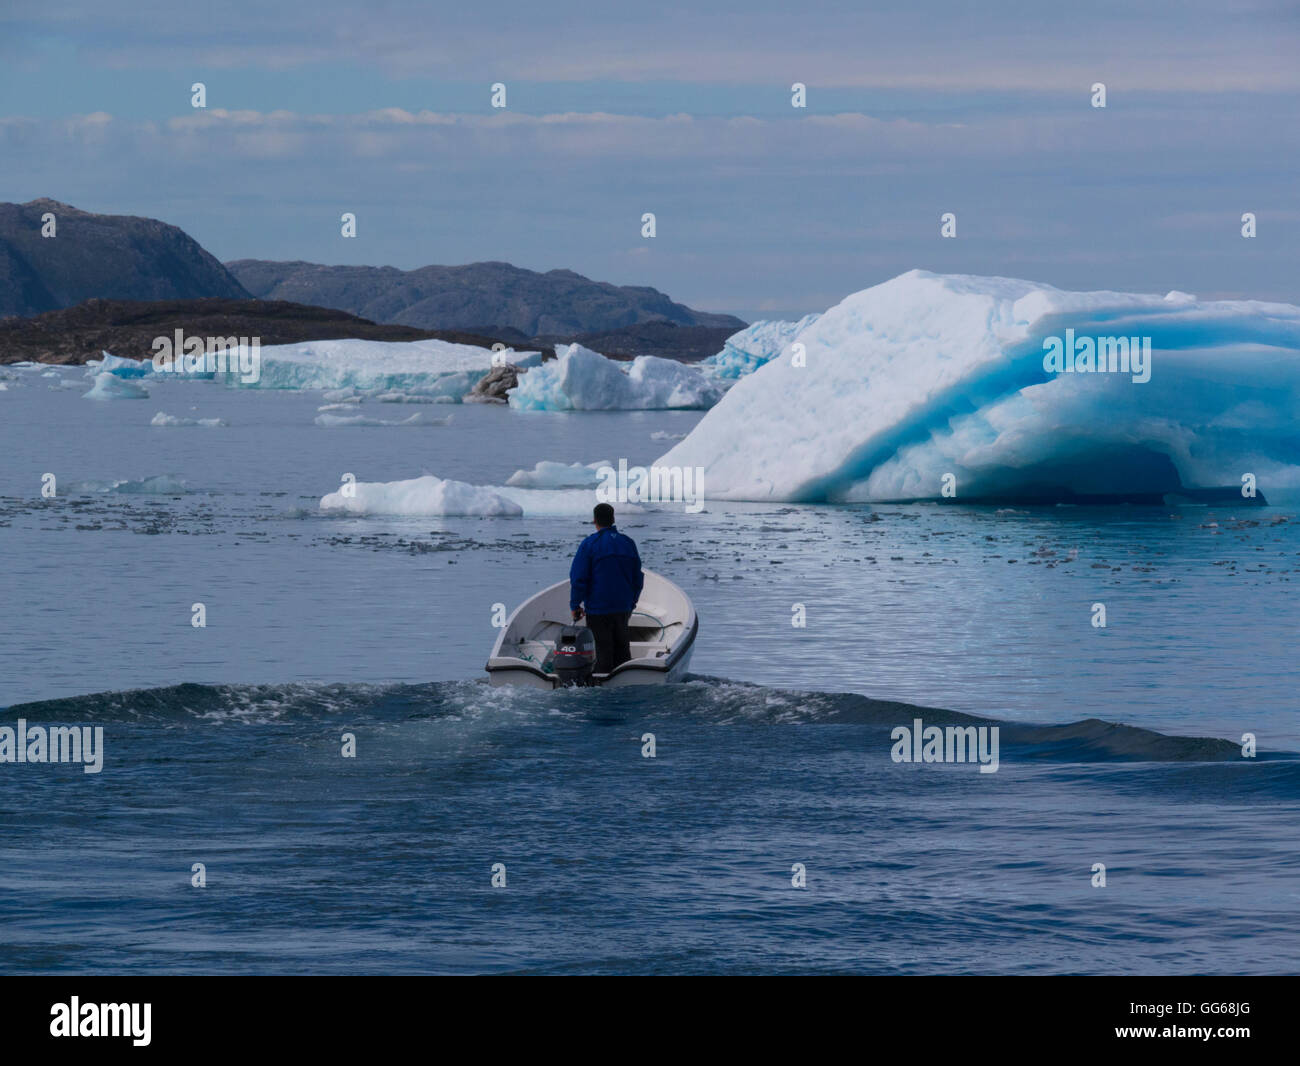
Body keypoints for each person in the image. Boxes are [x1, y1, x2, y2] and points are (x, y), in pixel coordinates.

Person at [569, 503, 644, 674]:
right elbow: (637, 578)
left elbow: (579, 578)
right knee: (623, 653)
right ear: (613, 519)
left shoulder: (589, 544)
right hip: (623, 608)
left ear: (594, 521)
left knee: (603, 655)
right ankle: (624, 682)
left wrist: (575, 605)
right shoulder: (628, 543)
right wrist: (632, 602)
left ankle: (602, 686)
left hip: (598, 609)